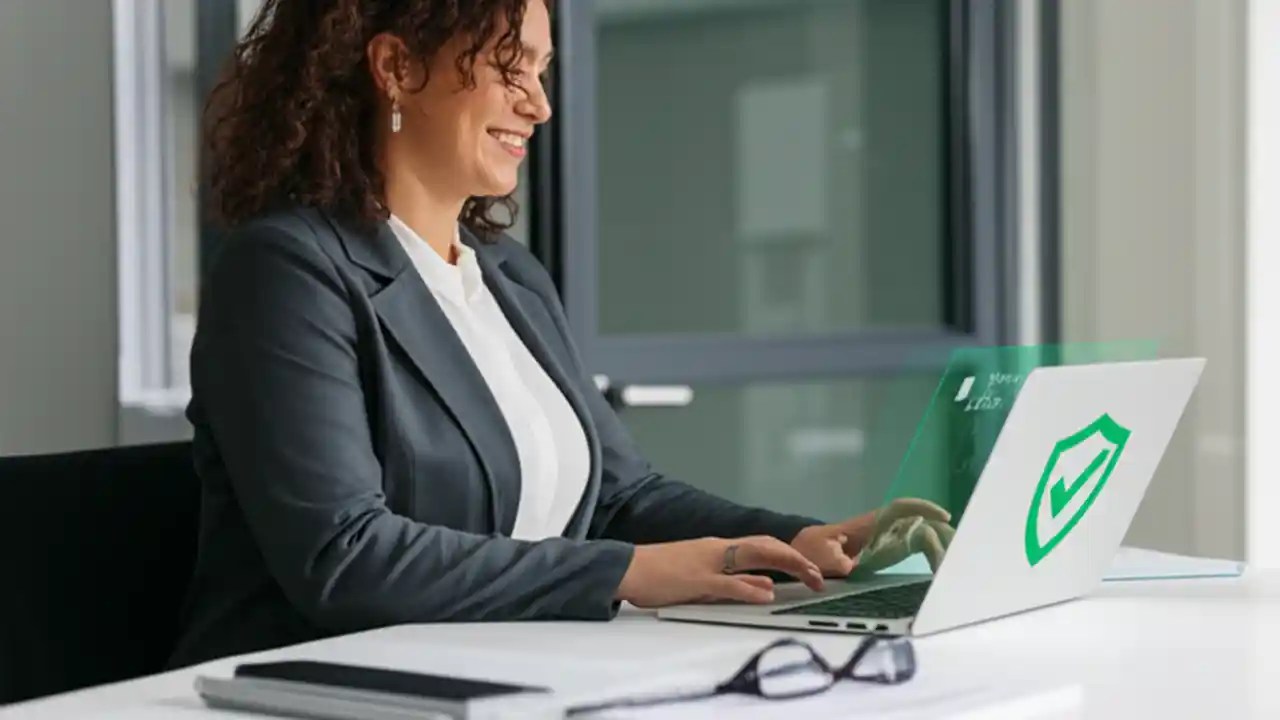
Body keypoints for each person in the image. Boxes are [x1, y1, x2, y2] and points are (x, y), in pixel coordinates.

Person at [168, 0, 951, 668]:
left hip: (512, 671)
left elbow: (622, 497)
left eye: (541, 73)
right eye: (511, 69)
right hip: (310, 690)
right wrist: (627, 574)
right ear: (397, 68)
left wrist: (800, 543)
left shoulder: (509, 279)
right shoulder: (285, 272)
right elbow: (346, 557)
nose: (538, 105)